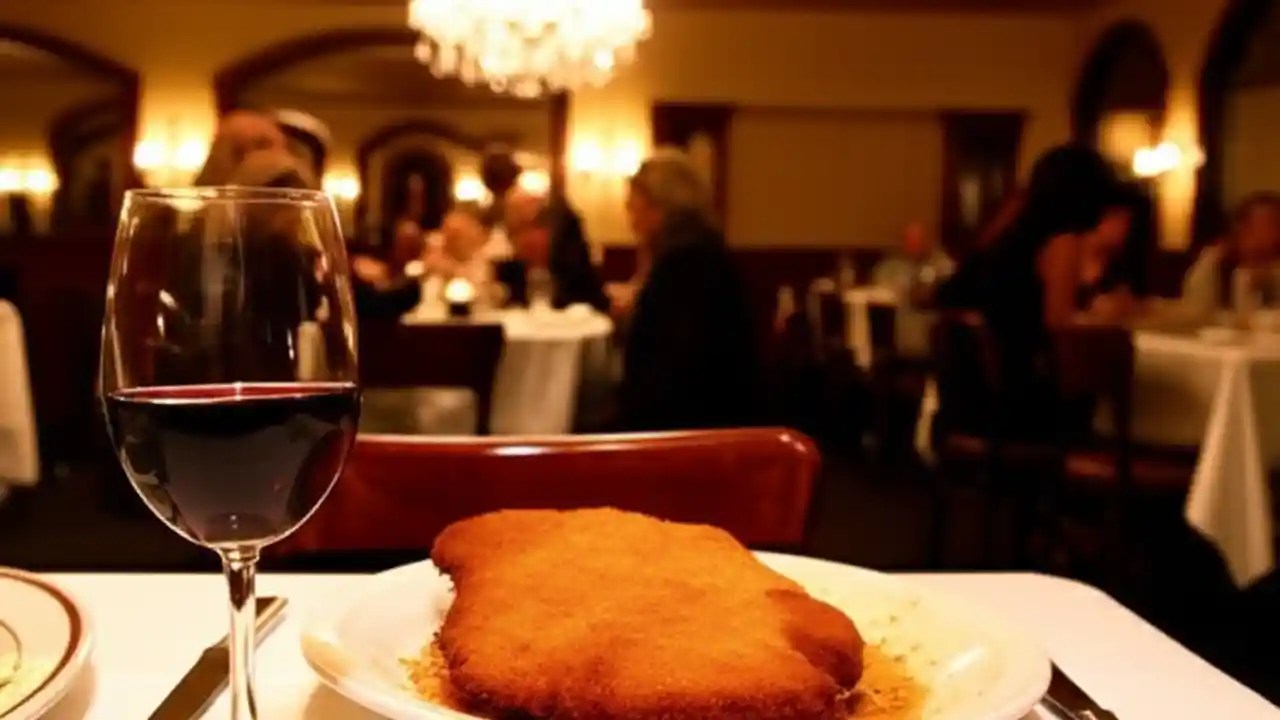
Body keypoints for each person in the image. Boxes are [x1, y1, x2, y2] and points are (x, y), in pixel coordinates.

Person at [939, 144, 1123, 437]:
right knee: (1114, 391)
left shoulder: (1006, 236)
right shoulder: (1062, 240)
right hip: (1022, 406)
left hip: (970, 397)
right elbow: (1059, 327)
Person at [618, 149, 763, 431]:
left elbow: (669, 374)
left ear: (658, 205)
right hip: (711, 413)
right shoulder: (700, 248)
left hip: (695, 427)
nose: (628, 210)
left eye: (634, 200)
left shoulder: (684, 261)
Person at [498, 190, 608, 310]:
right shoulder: (509, 275)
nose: (520, 240)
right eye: (514, 231)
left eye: (529, 227)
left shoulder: (577, 279)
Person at [1181, 192, 1280, 316]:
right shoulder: (1216, 262)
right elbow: (1194, 308)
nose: (1265, 235)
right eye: (1257, 226)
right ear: (1239, 228)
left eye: (1272, 225)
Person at [872, 221, 955, 303]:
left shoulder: (938, 260)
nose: (914, 245)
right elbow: (879, 286)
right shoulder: (892, 265)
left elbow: (950, 277)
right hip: (901, 311)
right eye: (910, 241)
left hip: (930, 312)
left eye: (918, 240)